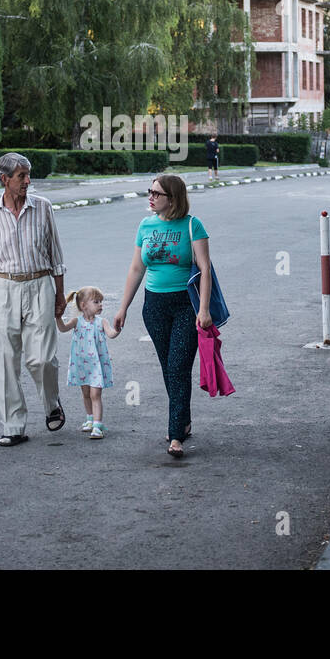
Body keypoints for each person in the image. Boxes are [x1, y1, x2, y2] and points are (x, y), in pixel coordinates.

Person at [0, 152, 68, 447]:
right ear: (4, 179)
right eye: (21, 176)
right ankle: (13, 426)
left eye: (28, 174)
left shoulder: (43, 208)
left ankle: (51, 403)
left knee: (43, 358)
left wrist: (60, 294)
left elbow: (56, 255)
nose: (27, 180)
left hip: (40, 285)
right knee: (5, 359)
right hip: (5, 289)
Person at [114, 173, 212, 459]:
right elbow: (136, 270)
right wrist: (123, 308)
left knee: (178, 367)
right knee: (170, 367)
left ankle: (176, 435)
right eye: (150, 191)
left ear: (173, 199)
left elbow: (204, 269)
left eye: (157, 193)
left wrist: (203, 309)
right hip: (154, 306)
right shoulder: (145, 225)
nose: (151, 197)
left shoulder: (193, 226)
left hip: (185, 305)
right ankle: (183, 419)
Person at [57, 286, 120, 439]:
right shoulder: (76, 321)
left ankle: (98, 425)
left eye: (101, 302)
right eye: (96, 302)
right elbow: (63, 329)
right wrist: (58, 317)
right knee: (86, 394)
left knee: (95, 394)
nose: (101, 305)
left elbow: (111, 334)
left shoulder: (101, 322)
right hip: (81, 365)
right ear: (84, 305)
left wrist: (117, 328)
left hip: (97, 365)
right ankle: (90, 419)